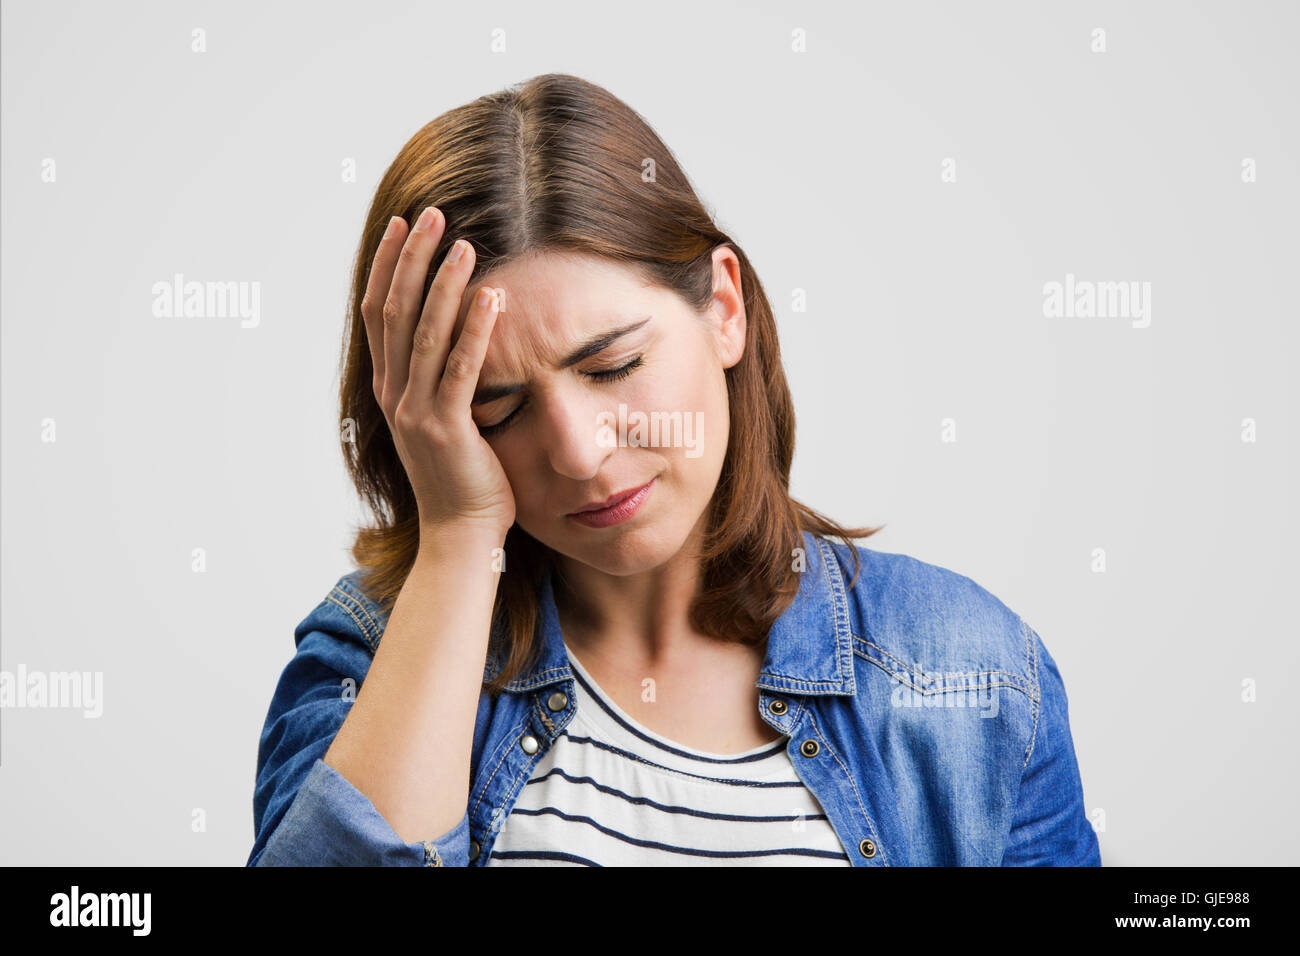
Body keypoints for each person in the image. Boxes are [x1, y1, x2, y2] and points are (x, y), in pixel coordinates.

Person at [247, 73, 1101, 867]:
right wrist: (462, 537)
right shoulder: (370, 657)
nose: (579, 453)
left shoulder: (968, 674)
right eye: (497, 411)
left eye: (613, 367)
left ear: (722, 309)